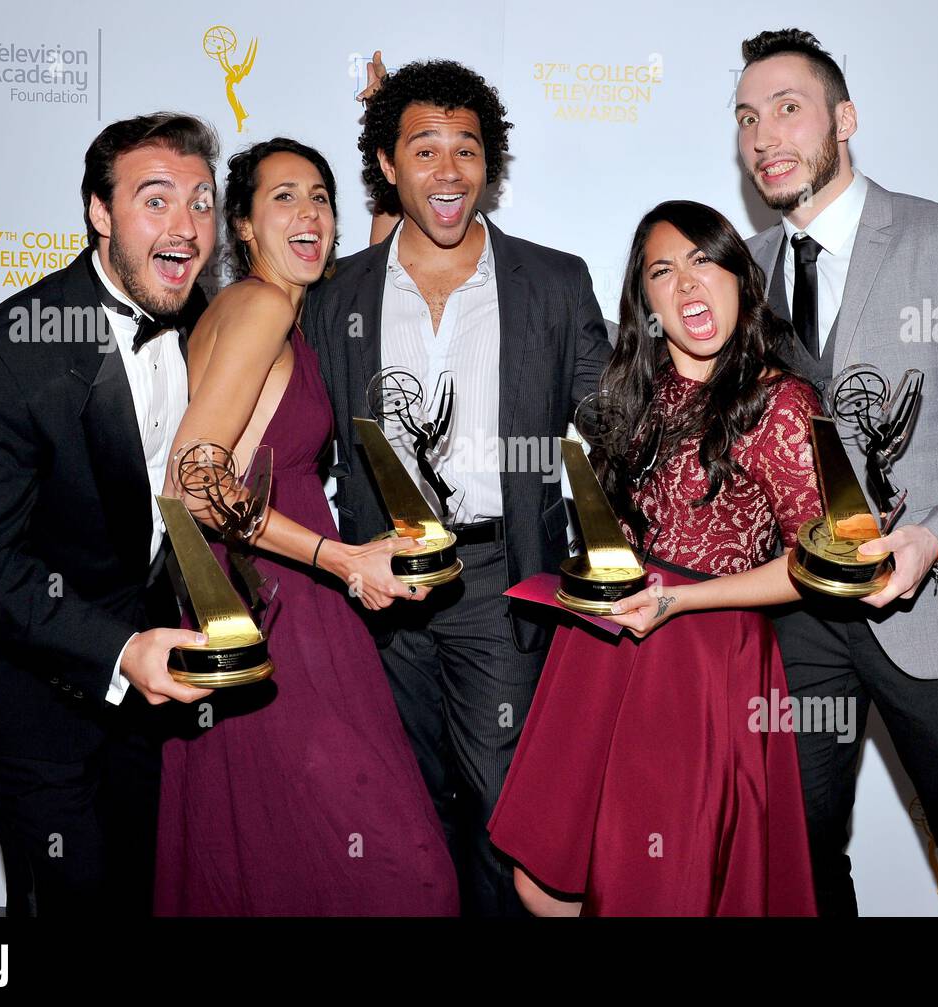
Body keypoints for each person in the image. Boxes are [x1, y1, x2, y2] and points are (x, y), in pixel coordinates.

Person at [734, 28, 938, 915]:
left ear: (845, 120)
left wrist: (934, 539)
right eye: (748, 118)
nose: (765, 136)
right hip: (797, 617)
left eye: (789, 108)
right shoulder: (744, 271)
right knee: (797, 866)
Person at [300, 59, 612, 916]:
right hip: (374, 581)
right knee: (394, 804)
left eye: (466, 150)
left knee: (504, 807)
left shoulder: (553, 282)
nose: (448, 171)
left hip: (498, 581)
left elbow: (619, 420)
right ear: (387, 164)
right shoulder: (335, 293)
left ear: (489, 163)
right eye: (425, 149)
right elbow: (298, 433)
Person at [0, 113, 222, 916]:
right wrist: (119, 649)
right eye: (155, 200)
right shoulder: (0, 361)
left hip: (138, 646)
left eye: (200, 201)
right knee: (69, 883)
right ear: (99, 211)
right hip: (17, 665)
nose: (185, 225)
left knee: (138, 873)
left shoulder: (200, 319)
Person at [152, 138, 458, 916]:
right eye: (284, 197)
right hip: (279, 601)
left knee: (282, 846)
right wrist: (344, 557)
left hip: (268, 592)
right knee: (397, 864)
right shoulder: (260, 308)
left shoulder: (270, 308)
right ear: (242, 225)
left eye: (321, 196)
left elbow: (377, 259)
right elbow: (194, 480)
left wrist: (387, 147)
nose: (310, 213)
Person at [488, 201, 820, 916]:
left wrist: (683, 599)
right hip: (604, 645)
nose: (688, 283)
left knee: (661, 885)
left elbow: (815, 563)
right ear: (647, 303)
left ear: (740, 277)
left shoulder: (780, 404)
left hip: (702, 659)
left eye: (703, 260)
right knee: (542, 882)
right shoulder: (639, 390)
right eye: (663, 272)